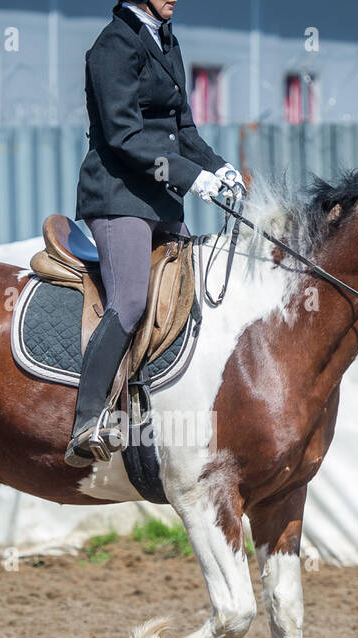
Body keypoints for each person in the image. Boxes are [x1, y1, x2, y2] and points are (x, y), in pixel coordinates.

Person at [68, 0, 244, 467]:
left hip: (160, 200)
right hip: (117, 196)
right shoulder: (112, 47)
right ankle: (87, 418)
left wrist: (218, 167)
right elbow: (125, 136)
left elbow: (182, 128)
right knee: (130, 301)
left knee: (194, 290)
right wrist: (192, 178)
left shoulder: (165, 39)